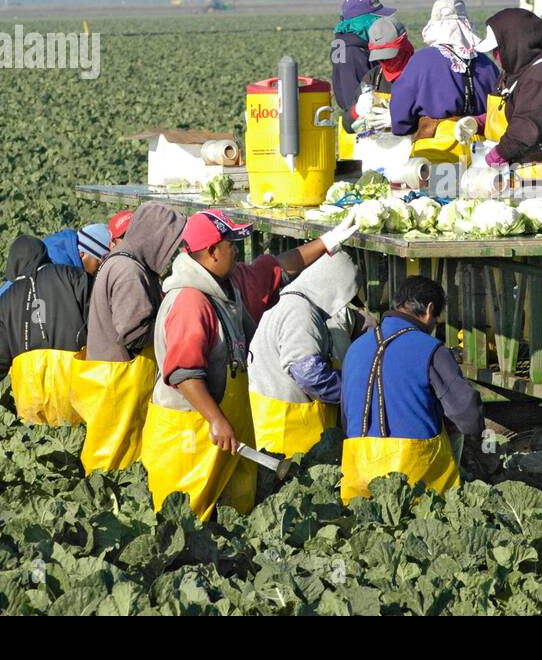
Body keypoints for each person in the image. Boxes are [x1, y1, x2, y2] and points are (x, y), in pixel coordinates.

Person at [141, 208, 361, 518]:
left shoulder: (228, 283)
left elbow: (278, 268)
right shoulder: (190, 301)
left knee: (230, 518)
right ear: (212, 251)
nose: (237, 249)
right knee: (186, 520)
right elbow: (184, 373)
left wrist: (328, 241)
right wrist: (215, 418)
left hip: (224, 426)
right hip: (189, 433)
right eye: (231, 243)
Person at [339, 275, 484, 503]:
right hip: (416, 482)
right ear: (428, 309)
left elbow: (346, 416)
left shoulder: (355, 347)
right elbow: (468, 413)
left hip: (359, 475)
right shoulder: (431, 349)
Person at [74, 202, 187, 473]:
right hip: (121, 379)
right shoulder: (129, 271)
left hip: (113, 376)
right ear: (154, 237)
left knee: (114, 452)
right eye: (170, 244)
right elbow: (133, 333)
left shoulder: (123, 262)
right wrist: (167, 321)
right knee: (117, 459)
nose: (172, 254)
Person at [248, 251, 365, 457]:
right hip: (287, 434)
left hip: (271, 423)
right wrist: (358, 391)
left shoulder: (288, 299)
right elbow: (311, 377)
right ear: (334, 286)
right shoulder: (299, 312)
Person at [0, 236, 92, 426]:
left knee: (38, 444)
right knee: (78, 438)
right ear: (45, 255)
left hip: (30, 392)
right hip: (75, 384)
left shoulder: (6, 299)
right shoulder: (73, 276)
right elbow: (99, 319)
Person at [475, 7, 542, 199]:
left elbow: (527, 125)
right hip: (516, 168)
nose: (495, 54)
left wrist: (495, 156)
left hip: (540, 172)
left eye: (498, 48)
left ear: (515, 44)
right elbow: (511, 110)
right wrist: (479, 122)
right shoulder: (515, 71)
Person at [387, 0, 498, 164]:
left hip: (437, 148)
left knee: (435, 189)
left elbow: (401, 109)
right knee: (476, 188)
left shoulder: (422, 61)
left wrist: (403, 126)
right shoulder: (486, 63)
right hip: (479, 149)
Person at [331, 0, 395, 159]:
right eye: (377, 17)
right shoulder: (354, 51)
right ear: (362, 21)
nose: (382, 22)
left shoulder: (348, 41)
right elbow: (352, 97)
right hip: (360, 130)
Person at [348, 16, 415, 136]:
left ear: (404, 47)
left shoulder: (421, 73)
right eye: (381, 58)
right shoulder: (373, 78)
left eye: (390, 55)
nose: (386, 61)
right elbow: (348, 126)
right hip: (379, 150)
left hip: (414, 151)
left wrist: (403, 119)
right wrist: (356, 111)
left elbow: (435, 119)